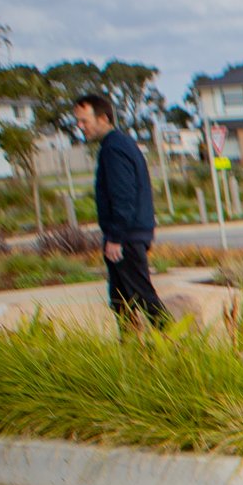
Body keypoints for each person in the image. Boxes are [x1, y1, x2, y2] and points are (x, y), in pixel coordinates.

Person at [74, 92, 167, 327]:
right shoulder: (118, 144)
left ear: (103, 118)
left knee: (144, 298)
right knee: (120, 302)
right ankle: (132, 353)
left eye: (84, 121)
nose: (80, 126)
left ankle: (176, 346)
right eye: (78, 121)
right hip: (128, 234)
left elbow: (123, 196)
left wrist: (115, 237)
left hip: (126, 237)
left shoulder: (114, 149)